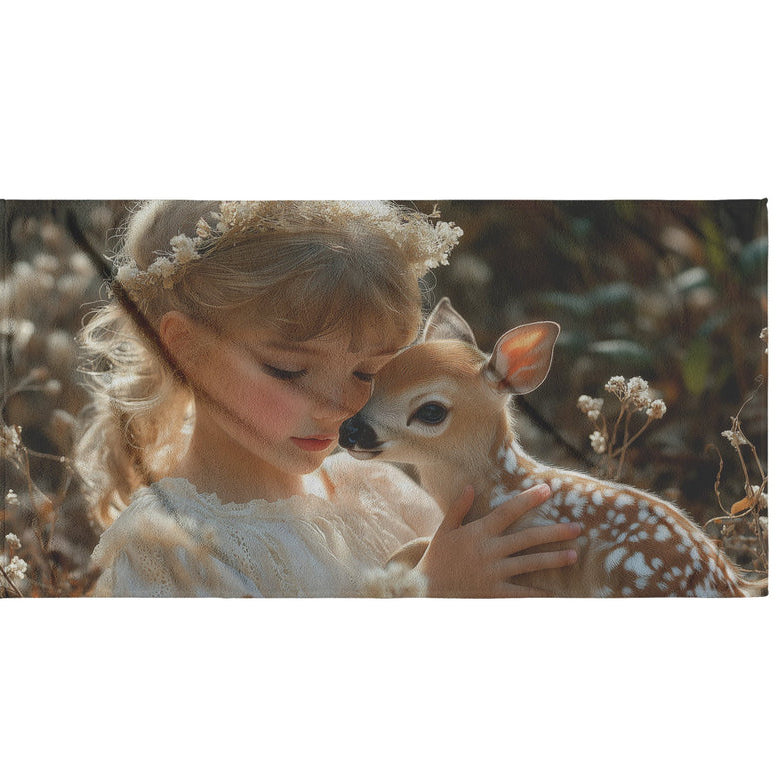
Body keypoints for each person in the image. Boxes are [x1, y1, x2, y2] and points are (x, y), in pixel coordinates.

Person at [77, 200, 580, 597]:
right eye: (289, 371)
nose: (342, 405)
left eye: (369, 371)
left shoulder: (377, 492)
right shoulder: (170, 549)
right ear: (182, 347)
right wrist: (429, 596)